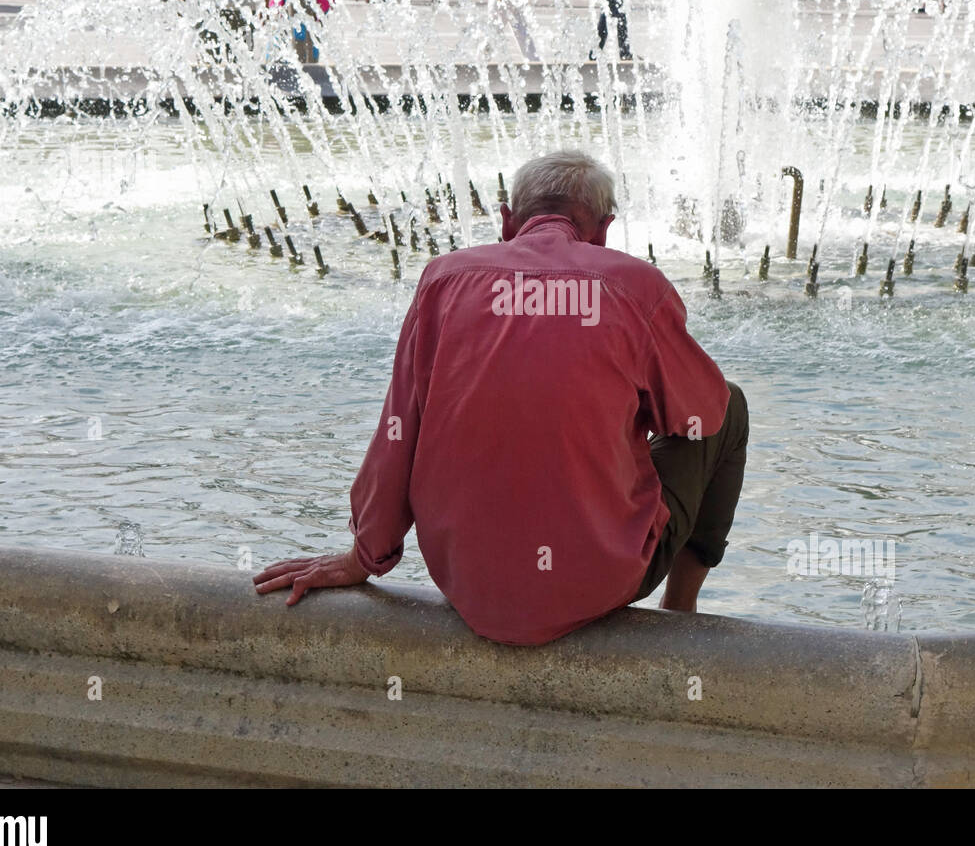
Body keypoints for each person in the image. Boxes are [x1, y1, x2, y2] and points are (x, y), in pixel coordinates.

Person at [253, 151, 749, 646]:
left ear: (507, 221)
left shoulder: (442, 281)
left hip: (468, 582)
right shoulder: (635, 287)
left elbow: (397, 434)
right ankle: (682, 608)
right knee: (732, 405)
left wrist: (363, 557)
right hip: (598, 582)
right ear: (603, 230)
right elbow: (701, 417)